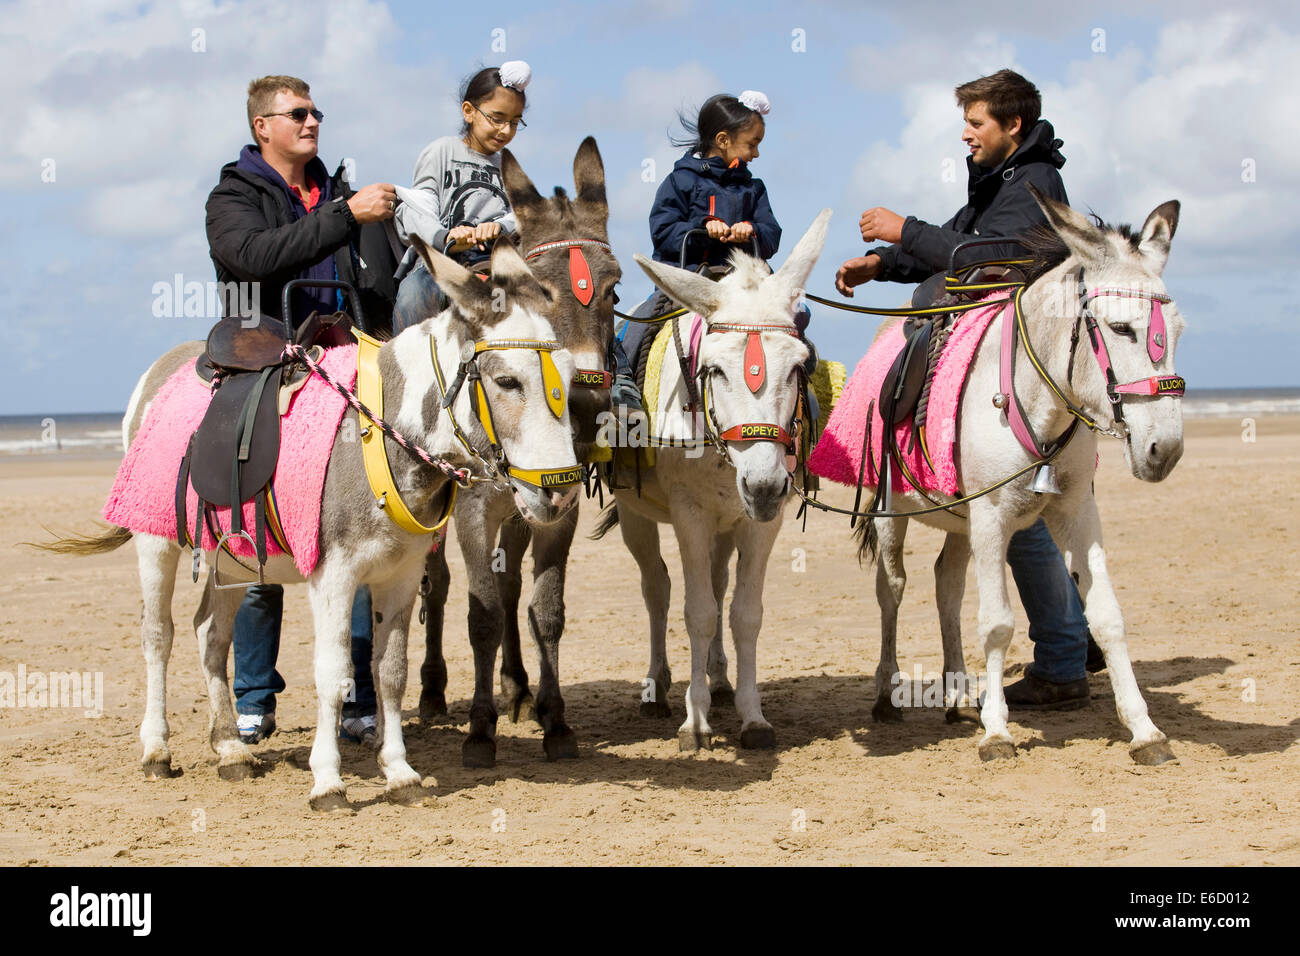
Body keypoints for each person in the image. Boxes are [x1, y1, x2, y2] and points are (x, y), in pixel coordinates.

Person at [834, 68, 1103, 709]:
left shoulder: (1037, 182)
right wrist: (883, 264)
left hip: (1011, 363)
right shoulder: (1001, 178)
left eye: (976, 122)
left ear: (1012, 125)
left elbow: (992, 253)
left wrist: (903, 230)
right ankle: (1069, 647)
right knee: (1028, 524)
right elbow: (958, 240)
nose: (966, 134)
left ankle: (1065, 658)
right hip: (994, 348)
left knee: (1028, 525)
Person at [205, 74, 400, 745]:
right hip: (264, 355)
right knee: (262, 532)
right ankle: (255, 695)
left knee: (349, 533)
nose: (312, 120)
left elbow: (370, 282)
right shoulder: (233, 194)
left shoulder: (336, 187)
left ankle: (354, 694)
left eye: (317, 110)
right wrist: (347, 217)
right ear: (264, 125)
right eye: (298, 112)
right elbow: (251, 258)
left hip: (345, 361)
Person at [611, 90, 791, 411]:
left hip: (742, 287)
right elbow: (663, 231)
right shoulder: (679, 181)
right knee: (641, 320)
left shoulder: (754, 188)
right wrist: (704, 230)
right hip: (688, 283)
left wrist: (753, 231)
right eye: (752, 144)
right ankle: (626, 385)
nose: (757, 153)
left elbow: (772, 235)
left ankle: (801, 383)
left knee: (797, 314)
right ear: (723, 140)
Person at [391, 61, 532, 332]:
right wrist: (446, 238)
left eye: (514, 122)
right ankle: (405, 367)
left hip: (496, 266)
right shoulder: (441, 151)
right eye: (497, 118)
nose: (505, 130)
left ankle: (607, 365)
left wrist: (500, 227)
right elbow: (417, 208)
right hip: (441, 264)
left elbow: (526, 213)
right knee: (414, 294)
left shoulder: (509, 166)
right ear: (469, 111)